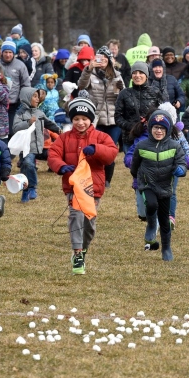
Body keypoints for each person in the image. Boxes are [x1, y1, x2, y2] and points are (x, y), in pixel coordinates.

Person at [47, 96, 118, 275]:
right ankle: (77, 253)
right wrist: (62, 167)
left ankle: (83, 248)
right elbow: (53, 155)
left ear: (91, 119)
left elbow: (111, 154)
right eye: (76, 119)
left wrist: (96, 149)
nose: (80, 122)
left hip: (93, 188)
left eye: (84, 119)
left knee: (89, 223)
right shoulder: (63, 138)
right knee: (76, 216)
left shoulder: (101, 137)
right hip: (73, 187)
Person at [130, 109, 186, 260]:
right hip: (147, 184)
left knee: (165, 219)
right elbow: (134, 166)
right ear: (150, 128)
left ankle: (166, 248)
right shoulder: (142, 146)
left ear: (167, 130)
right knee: (151, 205)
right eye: (155, 127)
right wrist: (137, 178)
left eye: (162, 128)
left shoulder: (175, 146)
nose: (158, 131)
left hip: (165, 187)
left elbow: (182, 162)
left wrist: (181, 169)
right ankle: (151, 225)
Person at [78, 46, 125, 186]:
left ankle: (107, 180)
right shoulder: (91, 74)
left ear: (110, 60)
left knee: (110, 149)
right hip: (97, 118)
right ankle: (94, 176)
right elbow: (81, 85)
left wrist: (118, 84)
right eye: (99, 58)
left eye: (105, 58)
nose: (102, 60)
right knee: (96, 148)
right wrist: (88, 68)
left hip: (113, 119)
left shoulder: (116, 74)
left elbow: (122, 95)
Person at [13, 86, 61, 202]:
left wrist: (58, 130)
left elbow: (48, 123)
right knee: (27, 166)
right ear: (26, 98)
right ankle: (29, 190)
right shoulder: (20, 113)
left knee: (31, 164)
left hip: (40, 147)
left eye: (38, 97)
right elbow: (15, 127)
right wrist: (28, 122)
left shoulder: (39, 112)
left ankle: (31, 188)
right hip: (27, 148)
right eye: (34, 96)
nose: (37, 99)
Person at [115, 61, 168, 150]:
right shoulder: (124, 93)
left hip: (150, 137)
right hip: (129, 138)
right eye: (134, 73)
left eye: (141, 72)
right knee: (131, 163)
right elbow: (117, 117)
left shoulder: (155, 92)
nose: (137, 75)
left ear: (146, 75)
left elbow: (163, 113)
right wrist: (131, 126)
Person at [0, 40, 31, 125]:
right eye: (6, 52)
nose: (8, 55)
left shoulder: (20, 65)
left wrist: (23, 101)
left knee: (12, 129)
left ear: (14, 53)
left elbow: (25, 84)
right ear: (2, 52)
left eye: (10, 52)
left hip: (13, 103)